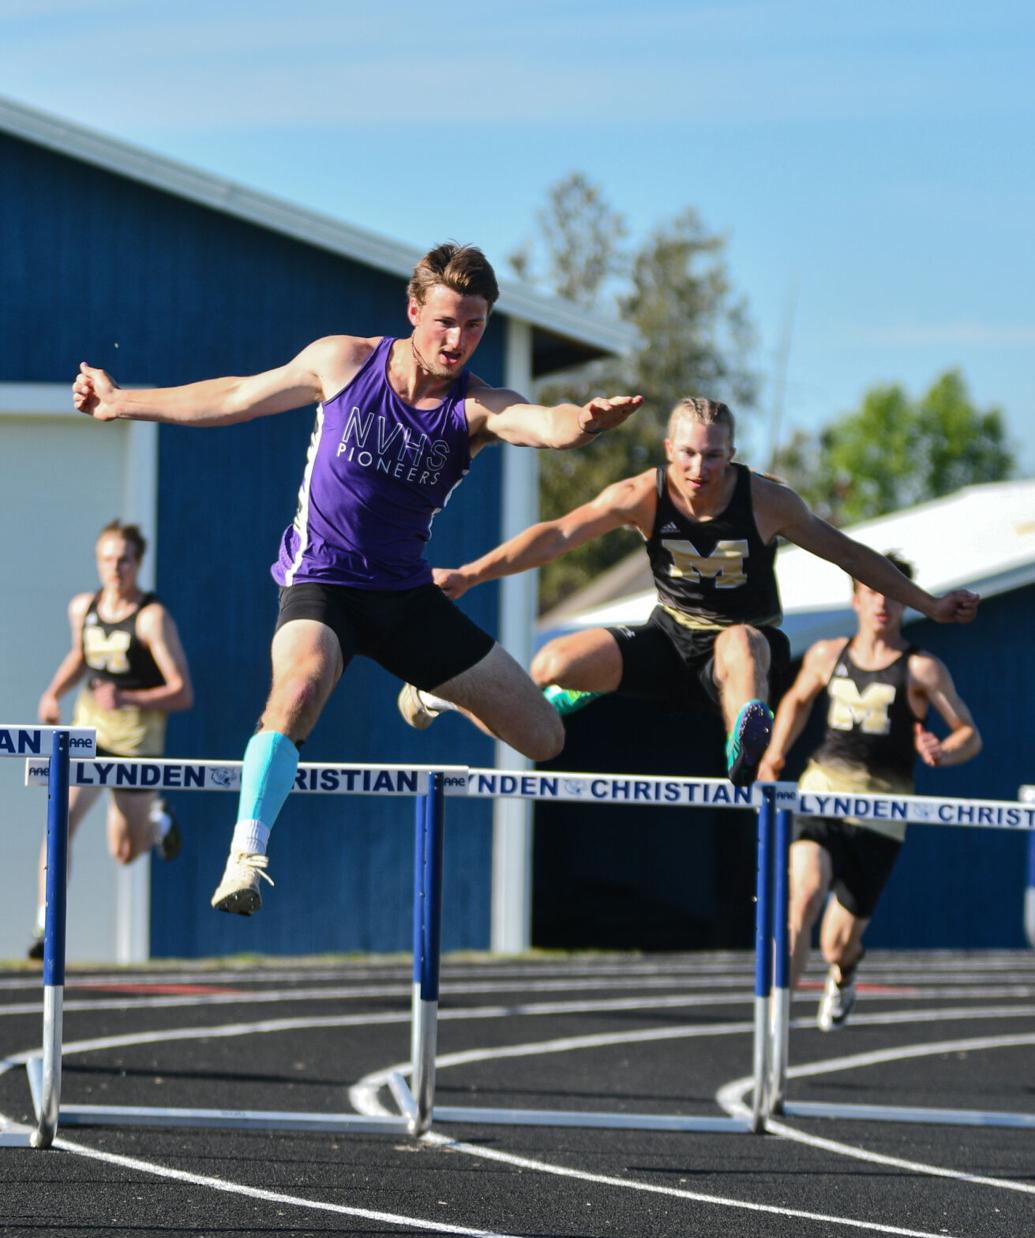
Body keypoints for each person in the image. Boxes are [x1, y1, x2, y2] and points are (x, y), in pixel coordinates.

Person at [72, 243, 642, 918]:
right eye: (445, 322)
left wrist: (579, 423)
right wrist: (122, 402)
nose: (458, 340)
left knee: (546, 736)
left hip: (404, 597)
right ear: (413, 311)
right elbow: (233, 395)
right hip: (323, 582)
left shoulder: (475, 408)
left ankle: (430, 695)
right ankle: (246, 852)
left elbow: (541, 423)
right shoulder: (344, 360)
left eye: (474, 325)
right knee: (299, 685)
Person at [398, 397, 979, 790]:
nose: (700, 468)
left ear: (733, 453)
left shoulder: (768, 500)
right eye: (688, 453)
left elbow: (850, 555)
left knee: (740, 642)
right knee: (552, 663)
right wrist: (470, 574)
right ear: (668, 449)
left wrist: (927, 604)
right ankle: (449, 698)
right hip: (668, 637)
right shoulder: (640, 495)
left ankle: (743, 744)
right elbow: (557, 537)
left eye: (715, 455)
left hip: (743, 648)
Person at [757, 554, 981, 1030]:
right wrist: (773, 757)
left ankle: (846, 968)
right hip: (821, 795)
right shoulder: (826, 654)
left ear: (905, 604)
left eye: (893, 594)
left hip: (881, 812)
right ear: (856, 599)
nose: (882, 602)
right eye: (873, 592)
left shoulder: (922, 669)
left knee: (838, 941)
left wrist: (944, 750)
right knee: (803, 898)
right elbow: (796, 700)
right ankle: (773, 1031)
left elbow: (970, 735)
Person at [31, 520, 194, 958]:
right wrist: (52, 693)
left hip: (136, 745)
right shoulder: (83, 607)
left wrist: (125, 696)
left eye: (123, 559)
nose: (114, 568)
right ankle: (47, 925)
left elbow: (183, 692)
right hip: (88, 737)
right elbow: (82, 655)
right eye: (106, 559)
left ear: (138, 563)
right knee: (58, 821)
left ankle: (159, 823)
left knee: (124, 852)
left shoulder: (151, 619)